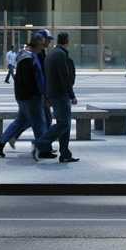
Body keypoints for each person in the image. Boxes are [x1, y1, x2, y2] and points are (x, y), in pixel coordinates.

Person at [0, 35, 48, 158]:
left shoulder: (26, 57)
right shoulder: (28, 59)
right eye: (42, 44)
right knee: (39, 123)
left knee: (21, 121)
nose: (43, 47)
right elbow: (30, 80)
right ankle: (41, 149)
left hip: (23, 96)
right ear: (37, 44)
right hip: (30, 97)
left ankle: (0, 142)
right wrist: (38, 93)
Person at [32, 32, 78, 163]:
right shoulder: (61, 54)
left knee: (64, 124)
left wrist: (47, 95)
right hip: (60, 94)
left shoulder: (51, 53)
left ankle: (65, 154)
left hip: (53, 94)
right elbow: (64, 77)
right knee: (63, 124)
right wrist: (72, 95)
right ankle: (40, 143)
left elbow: (47, 76)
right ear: (67, 40)